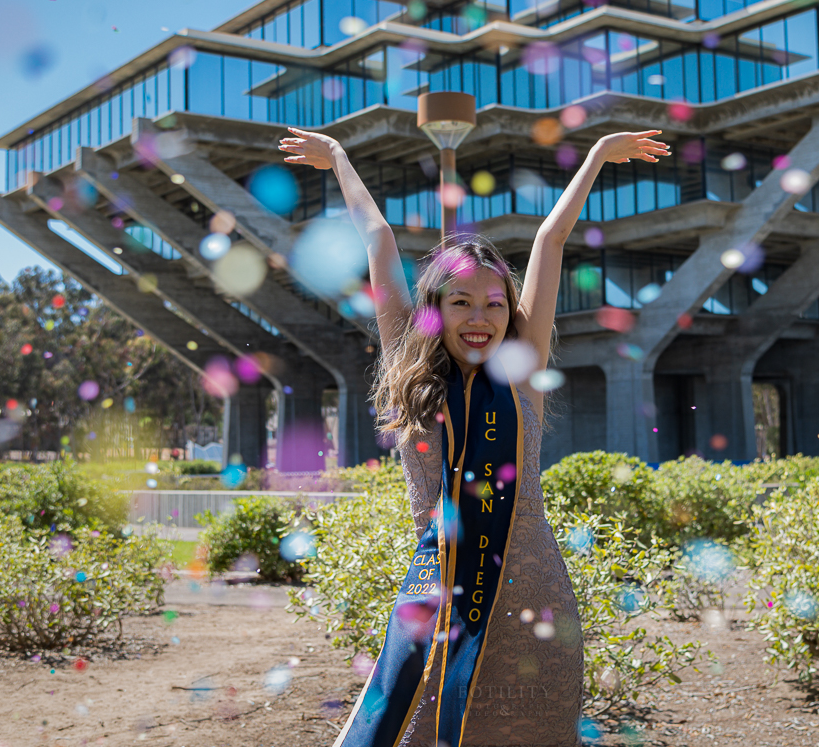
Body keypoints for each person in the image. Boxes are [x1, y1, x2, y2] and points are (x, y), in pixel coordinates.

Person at [278, 123, 669, 747]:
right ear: (436, 310)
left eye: (494, 303)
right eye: (460, 302)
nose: (480, 317)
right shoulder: (413, 368)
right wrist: (340, 159)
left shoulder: (523, 373)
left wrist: (595, 156)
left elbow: (551, 238)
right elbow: (378, 240)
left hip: (536, 601)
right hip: (437, 605)